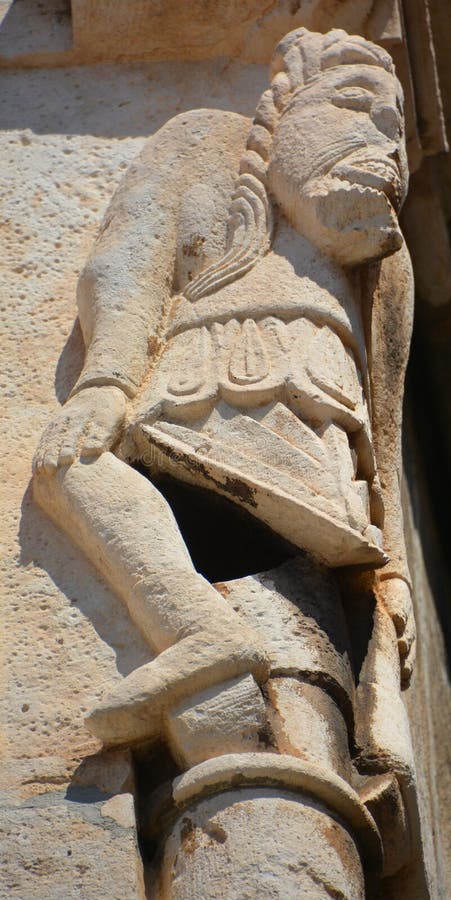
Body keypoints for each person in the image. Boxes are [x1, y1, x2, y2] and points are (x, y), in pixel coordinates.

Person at [33, 28, 415, 748]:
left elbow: (387, 405)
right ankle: (211, 655)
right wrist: (108, 379)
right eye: (354, 105)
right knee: (74, 461)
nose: (382, 145)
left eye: (394, 129)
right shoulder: (211, 140)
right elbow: (125, 264)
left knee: (70, 466)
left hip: (297, 429)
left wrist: (389, 562)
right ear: (286, 109)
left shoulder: (386, 258)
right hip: (208, 384)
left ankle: (201, 632)